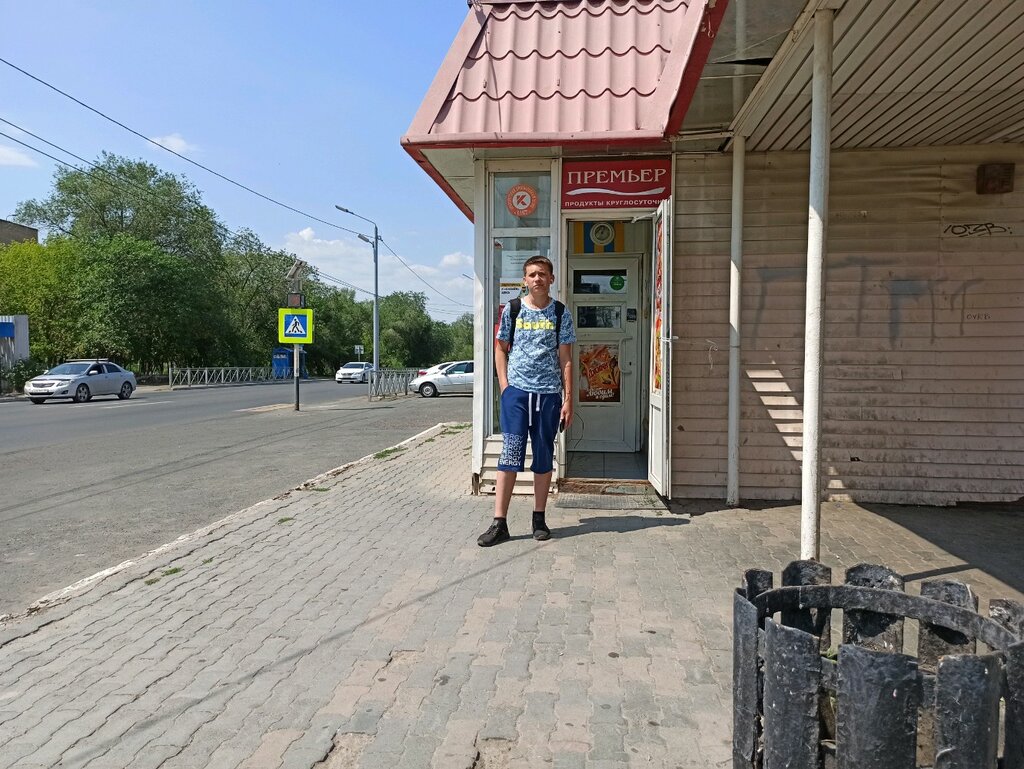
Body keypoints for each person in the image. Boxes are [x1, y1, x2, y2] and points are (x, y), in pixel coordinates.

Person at [478, 255, 576, 547]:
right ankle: (500, 522)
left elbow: (566, 359)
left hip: (548, 394)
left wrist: (568, 399)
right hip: (517, 393)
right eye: (532, 274)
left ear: (551, 279)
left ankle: (539, 517)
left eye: (542, 274)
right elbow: (500, 349)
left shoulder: (560, 313)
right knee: (510, 454)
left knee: (544, 455)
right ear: (525, 280)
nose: (537, 279)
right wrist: (505, 387)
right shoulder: (513, 309)